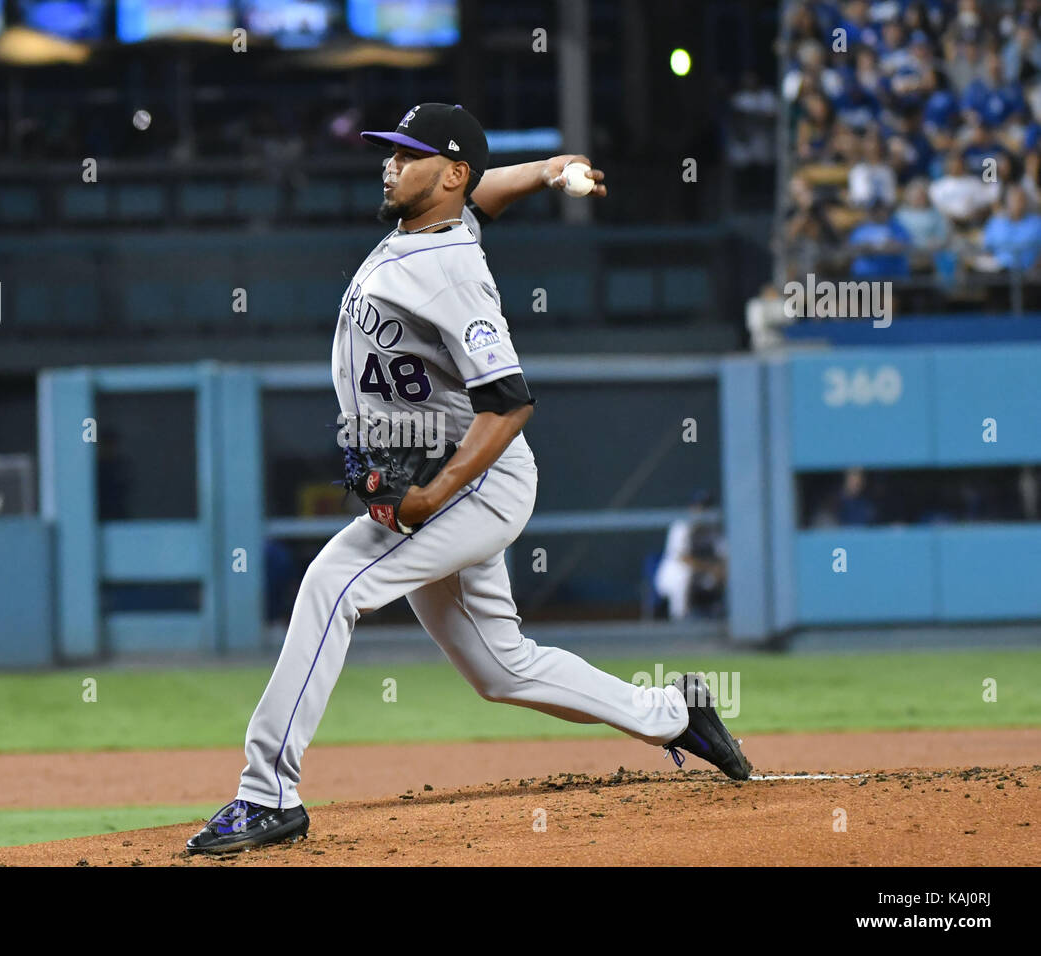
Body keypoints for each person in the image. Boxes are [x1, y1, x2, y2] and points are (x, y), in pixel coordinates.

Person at [184, 104, 752, 856]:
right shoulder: (441, 224)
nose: (389, 163)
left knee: (333, 586)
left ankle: (267, 796)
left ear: (446, 174)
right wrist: (550, 171)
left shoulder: (452, 272)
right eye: (389, 152)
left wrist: (431, 495)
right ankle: (673, 715)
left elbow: (510, 403)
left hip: (473, 481)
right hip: (447, 472)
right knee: (500, 668)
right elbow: (487, 193)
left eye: (407, 155)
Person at [653, 491, 727, 620]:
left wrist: (720, 568)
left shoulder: (712, 528)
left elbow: (725, 555)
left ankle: (720, 613)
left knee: (726, 571)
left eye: (706, 507)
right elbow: (684, 559)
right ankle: (678, 619)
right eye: (700, 507)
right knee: (684, 573)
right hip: (673, 575)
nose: (703, 511)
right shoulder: (681, 526)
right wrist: (711, 567)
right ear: (691, 508)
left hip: (702, 574)